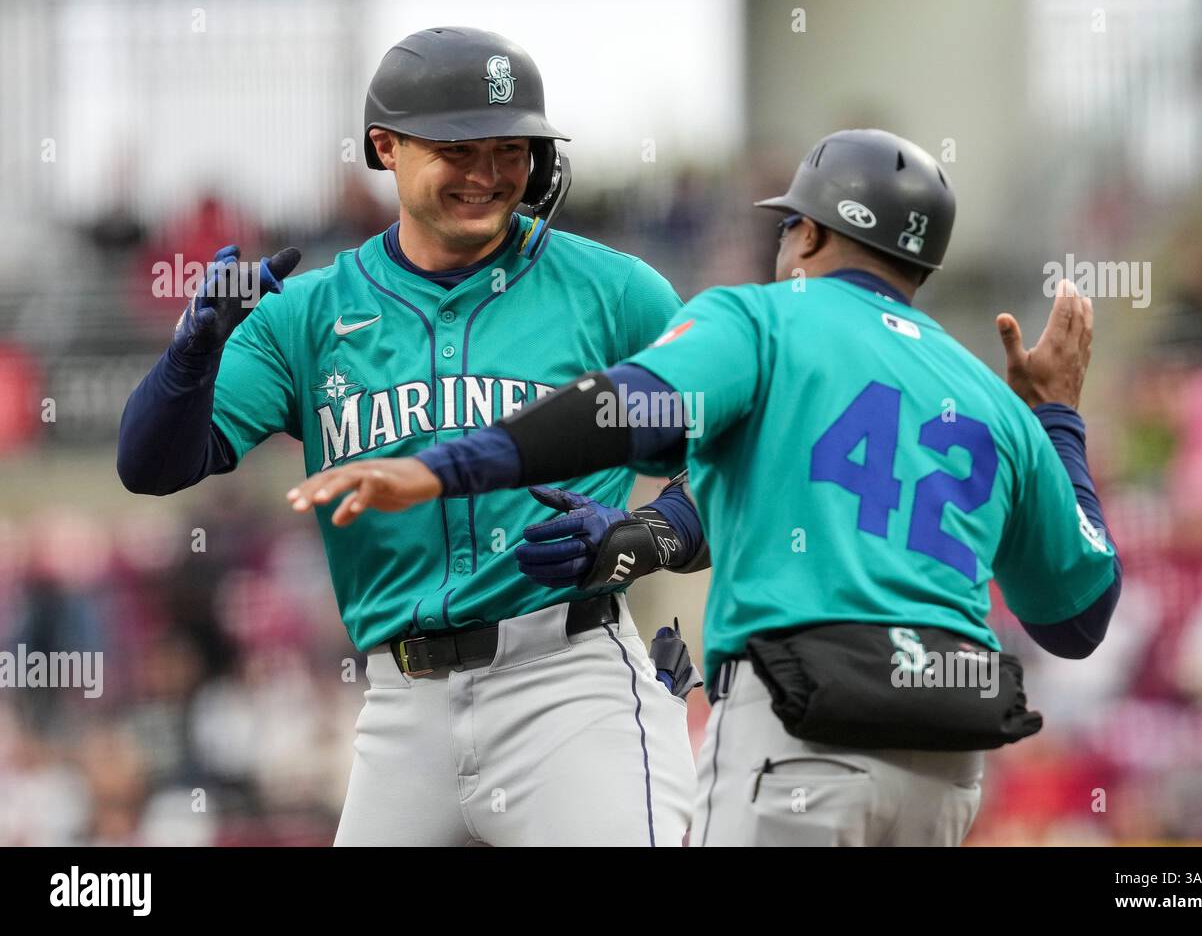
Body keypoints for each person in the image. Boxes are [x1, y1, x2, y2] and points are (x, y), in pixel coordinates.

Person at [284, 128, 1123, 847]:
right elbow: (1079, 618)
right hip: (947, 760)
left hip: (801, 725)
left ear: (807, 232)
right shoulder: (987, 397)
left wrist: (441, 466)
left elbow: (622, 409)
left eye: (789, 225)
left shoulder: (762, 319)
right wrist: (1056, 421)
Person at [118, 27, 705, 847]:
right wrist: (189, 357)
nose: (490, 174)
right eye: (459, 149)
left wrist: (649, 536)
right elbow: (149, 467)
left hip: (568, 681)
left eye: (513, 149)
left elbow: (742, 469)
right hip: (401, 702)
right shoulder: (307, 314)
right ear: (384, 147)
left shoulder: (617, 293)